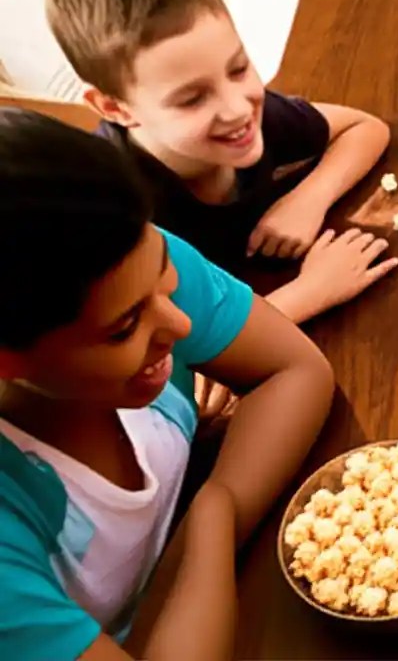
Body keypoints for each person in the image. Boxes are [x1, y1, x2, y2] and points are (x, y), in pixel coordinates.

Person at [0, 108, 335, 659]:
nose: (179, 325)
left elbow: (297, 370)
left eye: (165, 272)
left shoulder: (122, 254)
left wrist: (213, 509)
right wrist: (209, 529)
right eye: (126, 328)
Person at [45, 0, 398, 326]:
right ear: (116, 109)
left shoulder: (247, 118)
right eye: (193, 99)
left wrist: (308, 199)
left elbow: (365, 128)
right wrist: (311, 292)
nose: (238, 108)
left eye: (239, 68)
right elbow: (168, 348)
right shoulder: (114, 213)